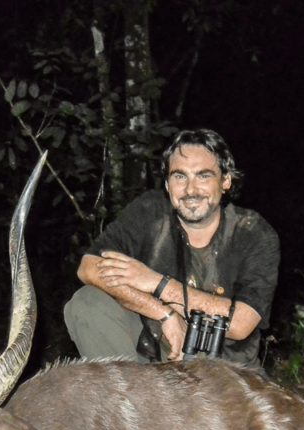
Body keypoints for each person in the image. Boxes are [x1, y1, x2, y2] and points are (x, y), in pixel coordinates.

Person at [63, 128, 280, 370]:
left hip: (228, 373)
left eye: (203, 176)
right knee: (87, 303)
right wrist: (161, 312)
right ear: (167, 184)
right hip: (157, 356)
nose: (190, 190)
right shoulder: (149, 212)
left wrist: (158, 284)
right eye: (179, 176)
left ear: (226, 181)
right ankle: (130, 400)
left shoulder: (254, 233)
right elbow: (89, 268)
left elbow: (241, 323)